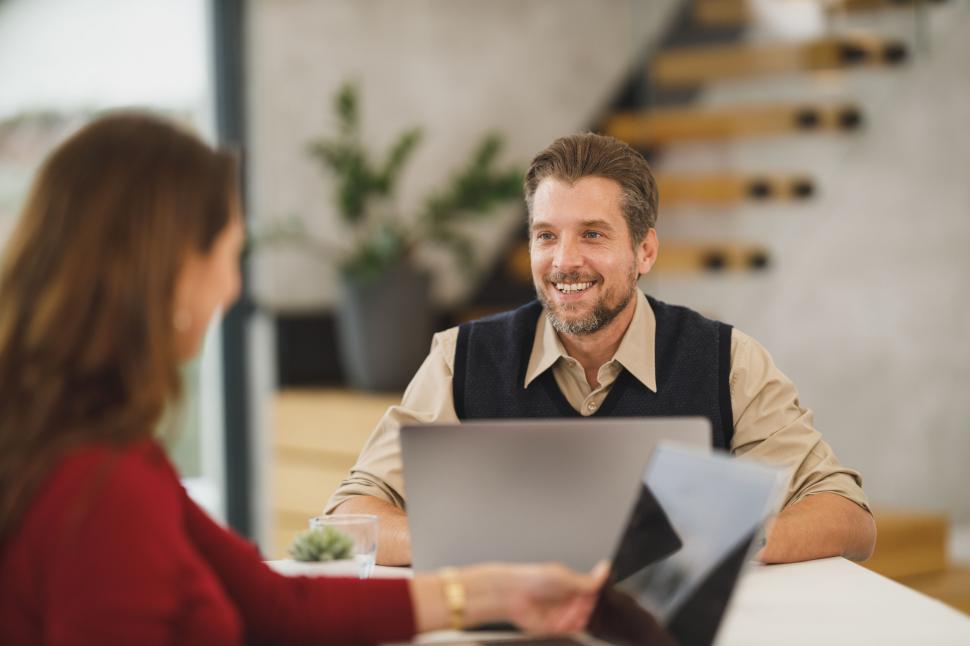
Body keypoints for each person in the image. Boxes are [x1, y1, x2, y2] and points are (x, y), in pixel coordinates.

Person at [0, 114, 608, 645]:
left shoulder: (101, 453)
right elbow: (340, 527)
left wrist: (491, 593)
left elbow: (278, 604)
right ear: (172, 268)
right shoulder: (102, 489)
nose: (232, 287)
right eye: (230, 255)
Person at [327, 132, 877, 567]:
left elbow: (848, 516)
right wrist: (482, 546)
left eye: (592, 234)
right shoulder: (459, 359)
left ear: (645, 249)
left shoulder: (728, 361)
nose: (564, 261)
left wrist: (725, 539)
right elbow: (350, 515)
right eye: (546, 235)